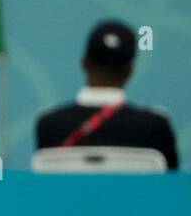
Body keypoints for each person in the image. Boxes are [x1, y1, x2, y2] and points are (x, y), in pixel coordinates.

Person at [35, 19, 179, 169]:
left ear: (84, 63)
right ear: (130, 71)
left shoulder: (48, 125)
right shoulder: (156, 127)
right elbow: (172, 182)